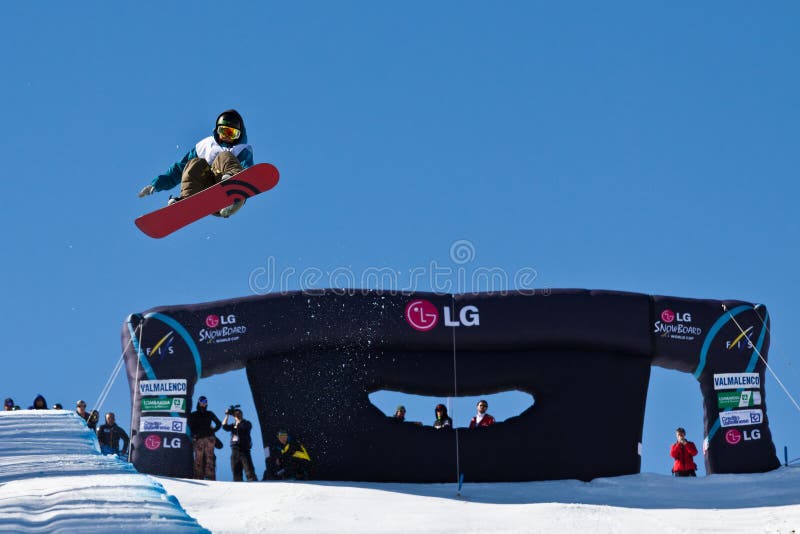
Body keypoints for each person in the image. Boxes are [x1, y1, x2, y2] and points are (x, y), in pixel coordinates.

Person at [137, 109, 254, 218]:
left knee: (224, 156)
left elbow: (247, 170)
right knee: (194, 163)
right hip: (206, 191)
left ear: (240, 135)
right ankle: (188, 200)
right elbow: (179, 169)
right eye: (224, 132)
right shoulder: (205, 146)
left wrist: (245, 185)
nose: (227, 137)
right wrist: (157, 184)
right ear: (217, 131)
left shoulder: (241, 150)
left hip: (228, 195)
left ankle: (233, 189)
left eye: (232, 133)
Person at [188, 395, 222, 480]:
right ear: (198, 402)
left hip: (209, 438)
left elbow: (219, 423)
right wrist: (193, 435)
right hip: (198, 439)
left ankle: (210, 477)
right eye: (202, 401)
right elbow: (189, 426)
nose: (204, 403)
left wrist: (213, 431)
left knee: (209, 457)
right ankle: (198, 477)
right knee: (198, 458)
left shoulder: (209, 413)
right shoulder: (194, 414)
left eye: (205, 402)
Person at [222, 406, 257, 481]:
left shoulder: (247, 423)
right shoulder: (233, 425)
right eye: (235, 414)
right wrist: (227, 415)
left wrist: (237, 419)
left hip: (244, 450)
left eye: (239, 413)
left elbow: (244, 428)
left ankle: (255, 486)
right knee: (236, 474)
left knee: (250, 472)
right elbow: (224, 426)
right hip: (234, 451)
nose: (237, 415)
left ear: (242, 414)